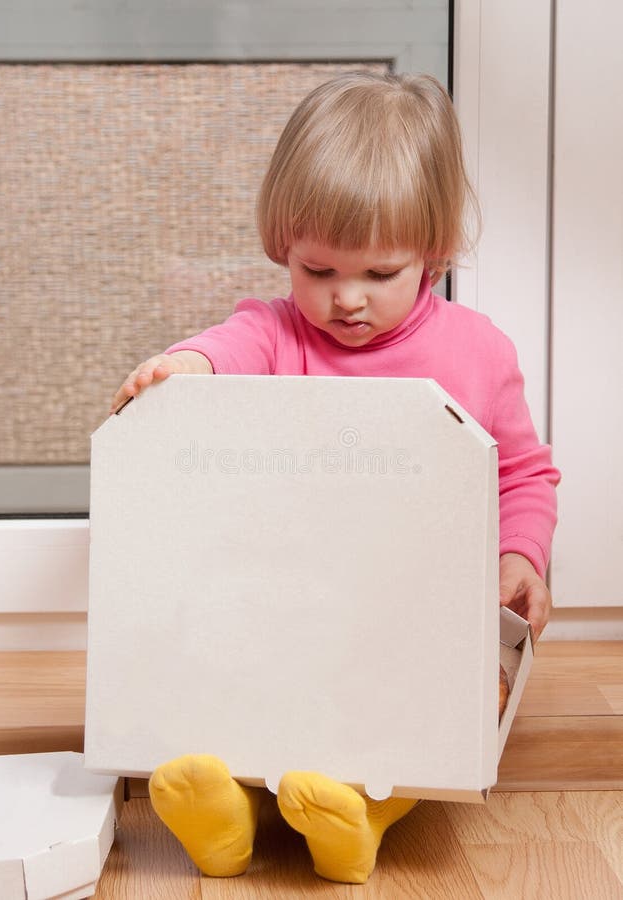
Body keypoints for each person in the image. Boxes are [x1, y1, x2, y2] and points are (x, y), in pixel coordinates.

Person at [110, 71, 561, 884]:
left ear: (436, 249)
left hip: (408, 611)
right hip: (291, 601)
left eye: (380, 275)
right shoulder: (277, 331)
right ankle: (232, 808)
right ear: (284, 245)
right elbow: (231, 347)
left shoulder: (479, 350)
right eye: (317, 271)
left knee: (434, 709)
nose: (346, 299)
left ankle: (367, 815)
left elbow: (525, 471)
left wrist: (522, 554)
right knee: (226, 665)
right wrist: (184, 365)